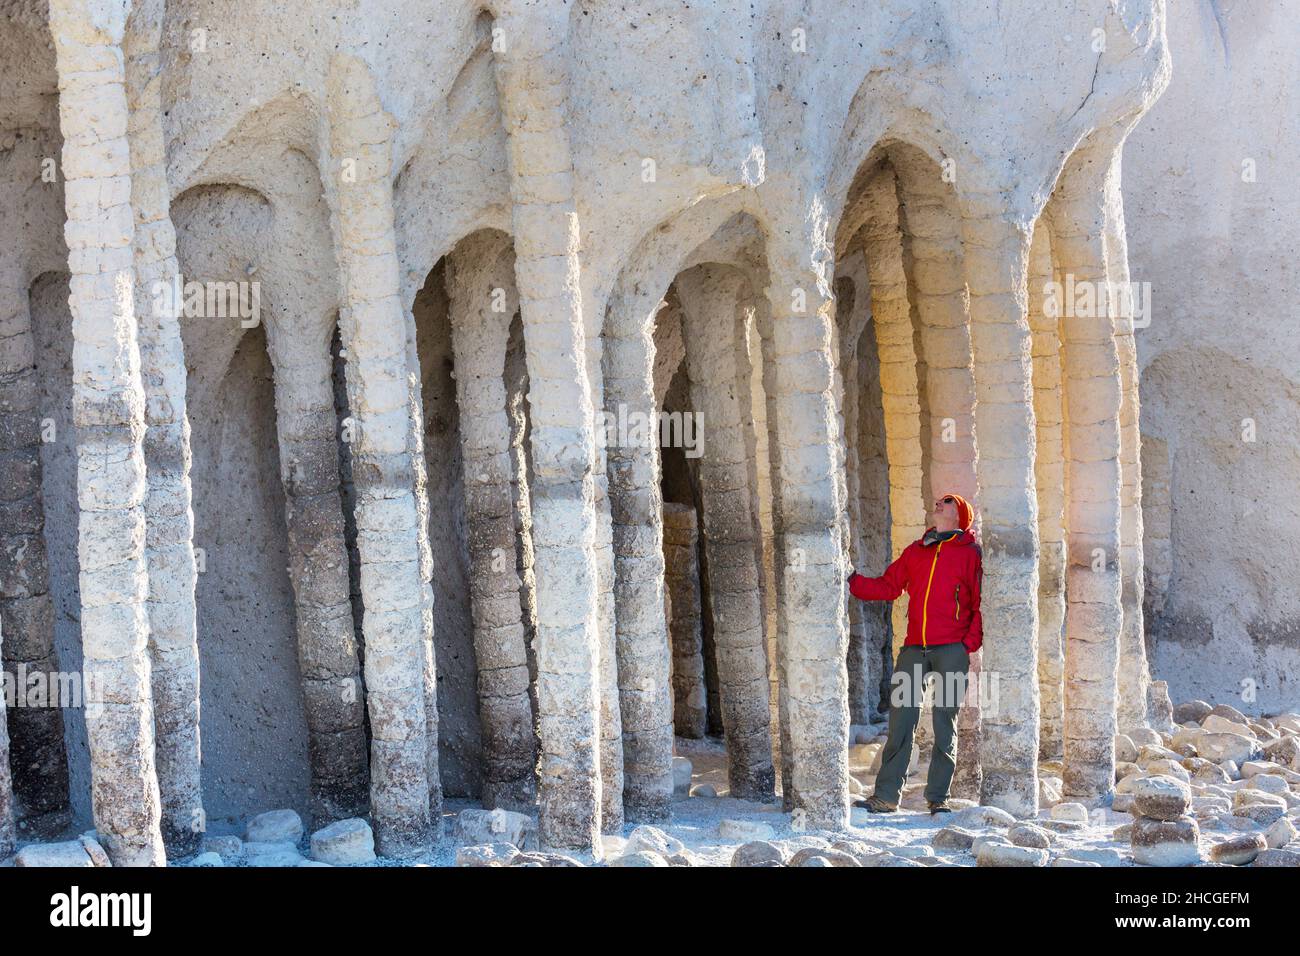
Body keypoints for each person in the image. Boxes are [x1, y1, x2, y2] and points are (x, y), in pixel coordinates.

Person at [847, 492, 982, 815]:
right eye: (939, 501)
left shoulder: (970, 554)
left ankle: (938, 798)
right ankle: (886, 797)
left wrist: (967, 645)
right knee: (901, 721)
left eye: (947, 503)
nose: (939, 504)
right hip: (913, 650)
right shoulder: (916, 551)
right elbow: (888, 586)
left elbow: (979, 603)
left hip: (951, 650)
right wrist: (851, 580)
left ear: (960, 515)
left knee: (944, 723)